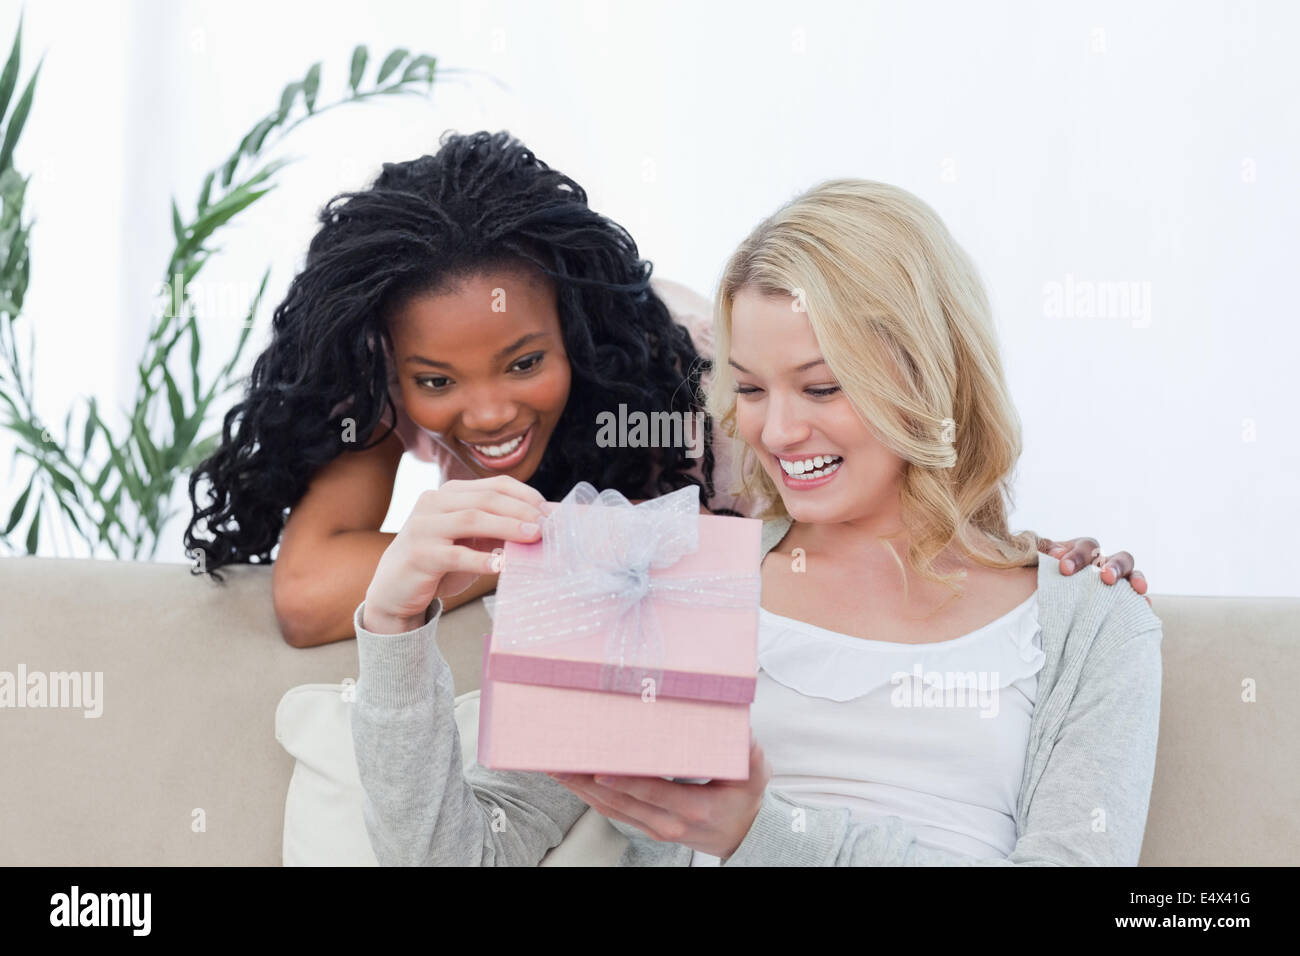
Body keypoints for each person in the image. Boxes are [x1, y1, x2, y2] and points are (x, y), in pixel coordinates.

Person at [347, 178, 1162, 865]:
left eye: (820, 387)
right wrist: (391, 627)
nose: (776, 433)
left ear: (930, 376)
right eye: (750, 387)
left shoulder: (1091, 617)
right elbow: (463, 855)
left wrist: (761, 835)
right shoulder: (662, 573)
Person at [185, 132, 1140, 649]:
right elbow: (310, 597)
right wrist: (568, 542)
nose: (484, 413)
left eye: (525, 363)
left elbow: (858, 482)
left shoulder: (700, 381)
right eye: (436, 381)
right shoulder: (388, 374)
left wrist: (1018, 563)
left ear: (578, 334)